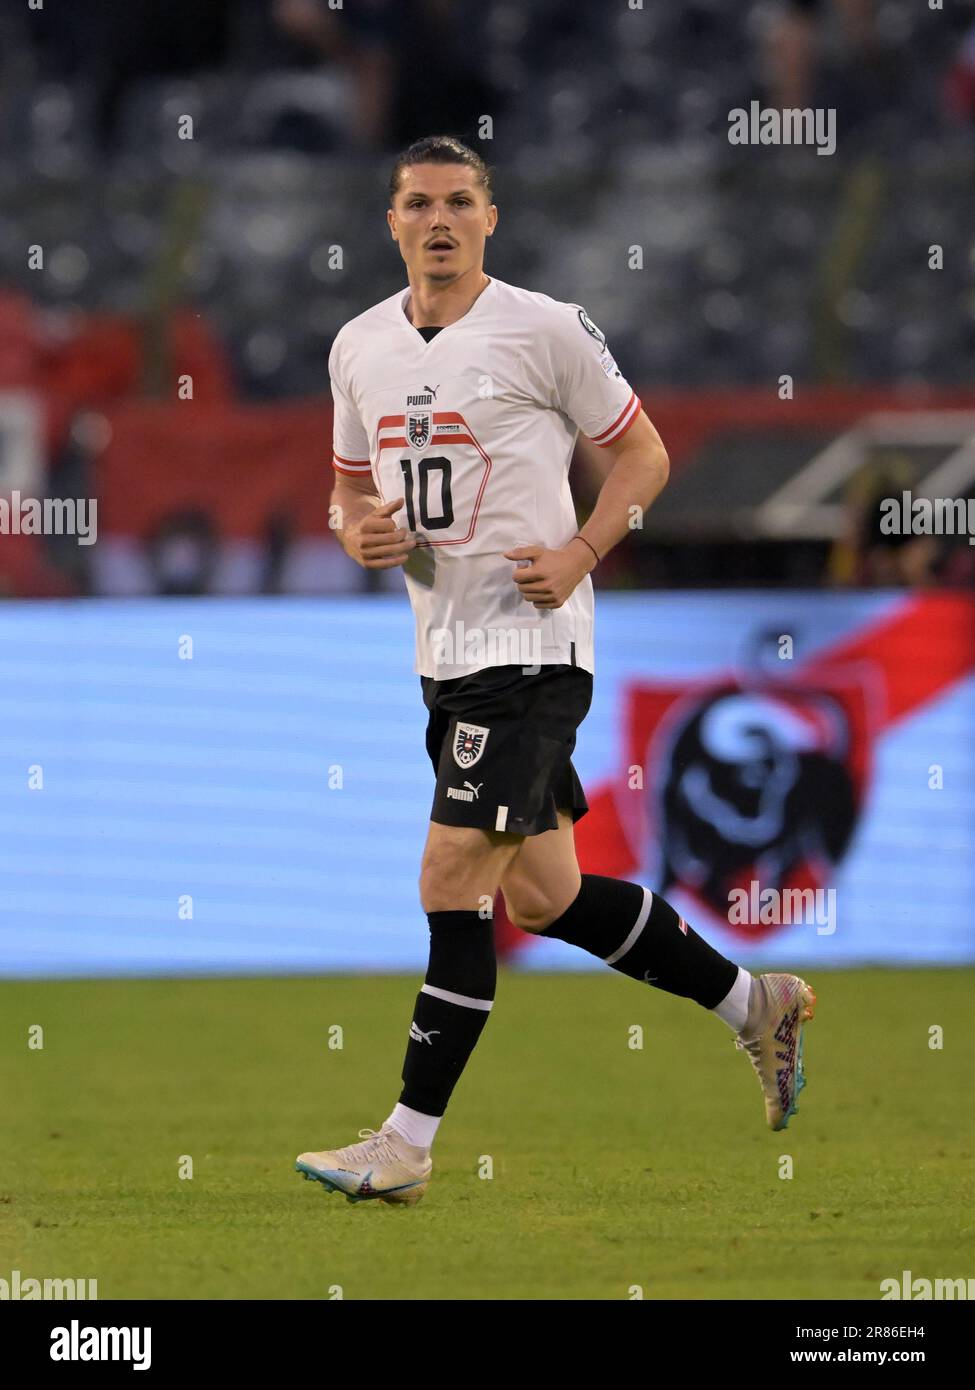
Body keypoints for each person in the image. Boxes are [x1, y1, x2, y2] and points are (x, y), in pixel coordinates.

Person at [296, 135, 815, 1206]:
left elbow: (645, 456)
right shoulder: (358, 348)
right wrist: (357, 535)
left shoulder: (544, 329)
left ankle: (406, 1142)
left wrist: (580, 552)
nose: (438, 221)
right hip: (445, 656)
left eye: (458, 202)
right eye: (417, 204)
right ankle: (754, 1003)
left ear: (491, 218)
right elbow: (347, 492)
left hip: (531, 654)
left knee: (449, 881)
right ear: (389, 223)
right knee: (545, 896)